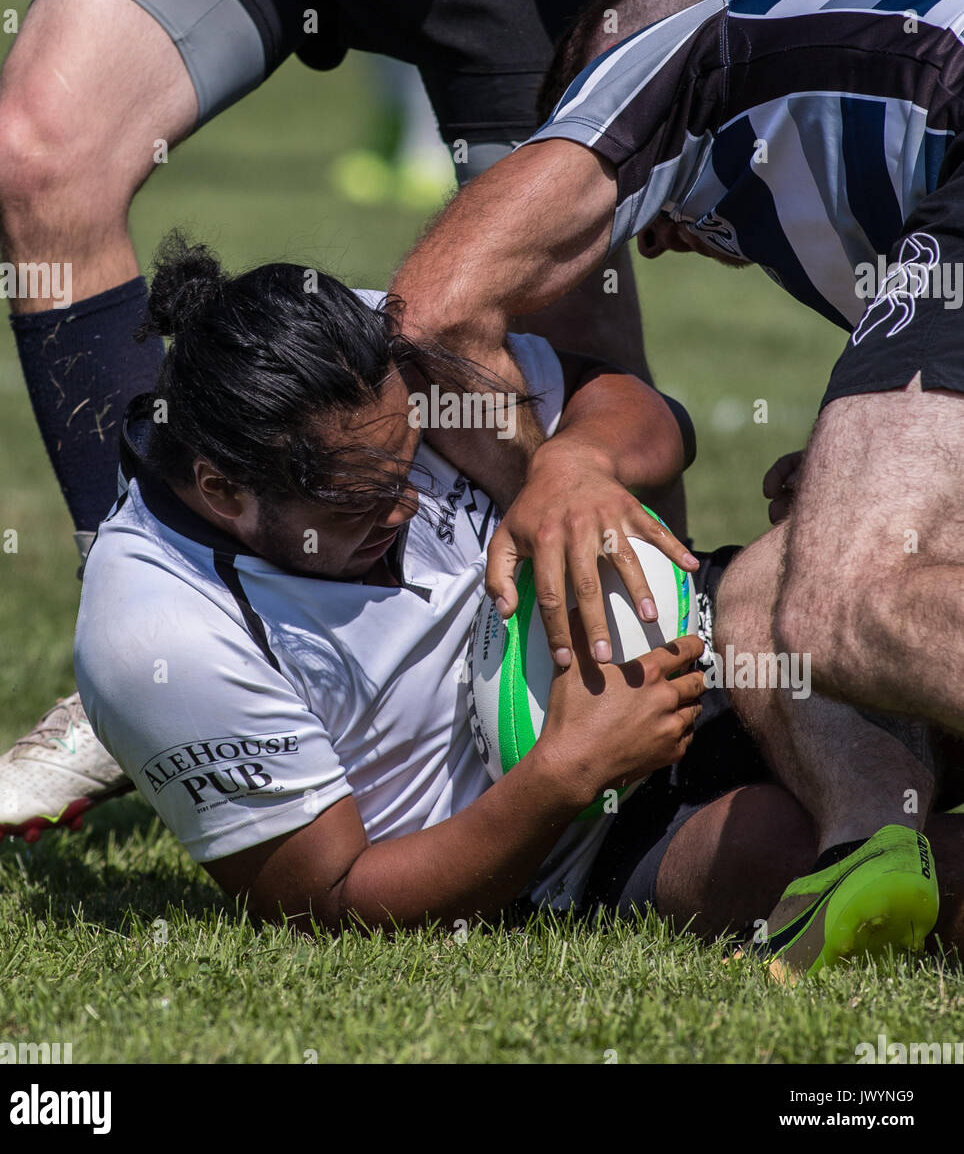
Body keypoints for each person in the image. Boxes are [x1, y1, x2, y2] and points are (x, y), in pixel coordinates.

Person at [0, 0, 740, 838]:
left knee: (570, 333)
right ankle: (145, 645)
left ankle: (643, 690)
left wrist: (712, 60)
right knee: (39, 155)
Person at [69, 237, 964, 972]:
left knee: (826, 590)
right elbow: (324, 904)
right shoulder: (157, 630)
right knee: (774, 848)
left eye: (411, 455)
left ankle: (880, 832)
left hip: (697, 628)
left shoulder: (361, 354)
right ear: (224, 492)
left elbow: (647, 413)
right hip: (564, 850)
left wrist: (569, 464)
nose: (408, 502)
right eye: (360, 498)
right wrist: (564, 776)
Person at [390, 0, 964, 740]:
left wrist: (554, 478)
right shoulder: (859, 73)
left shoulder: (659, 60)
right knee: (774, 585)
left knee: (846, 599)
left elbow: (428, 314)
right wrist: (868, 483)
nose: (649, 245)